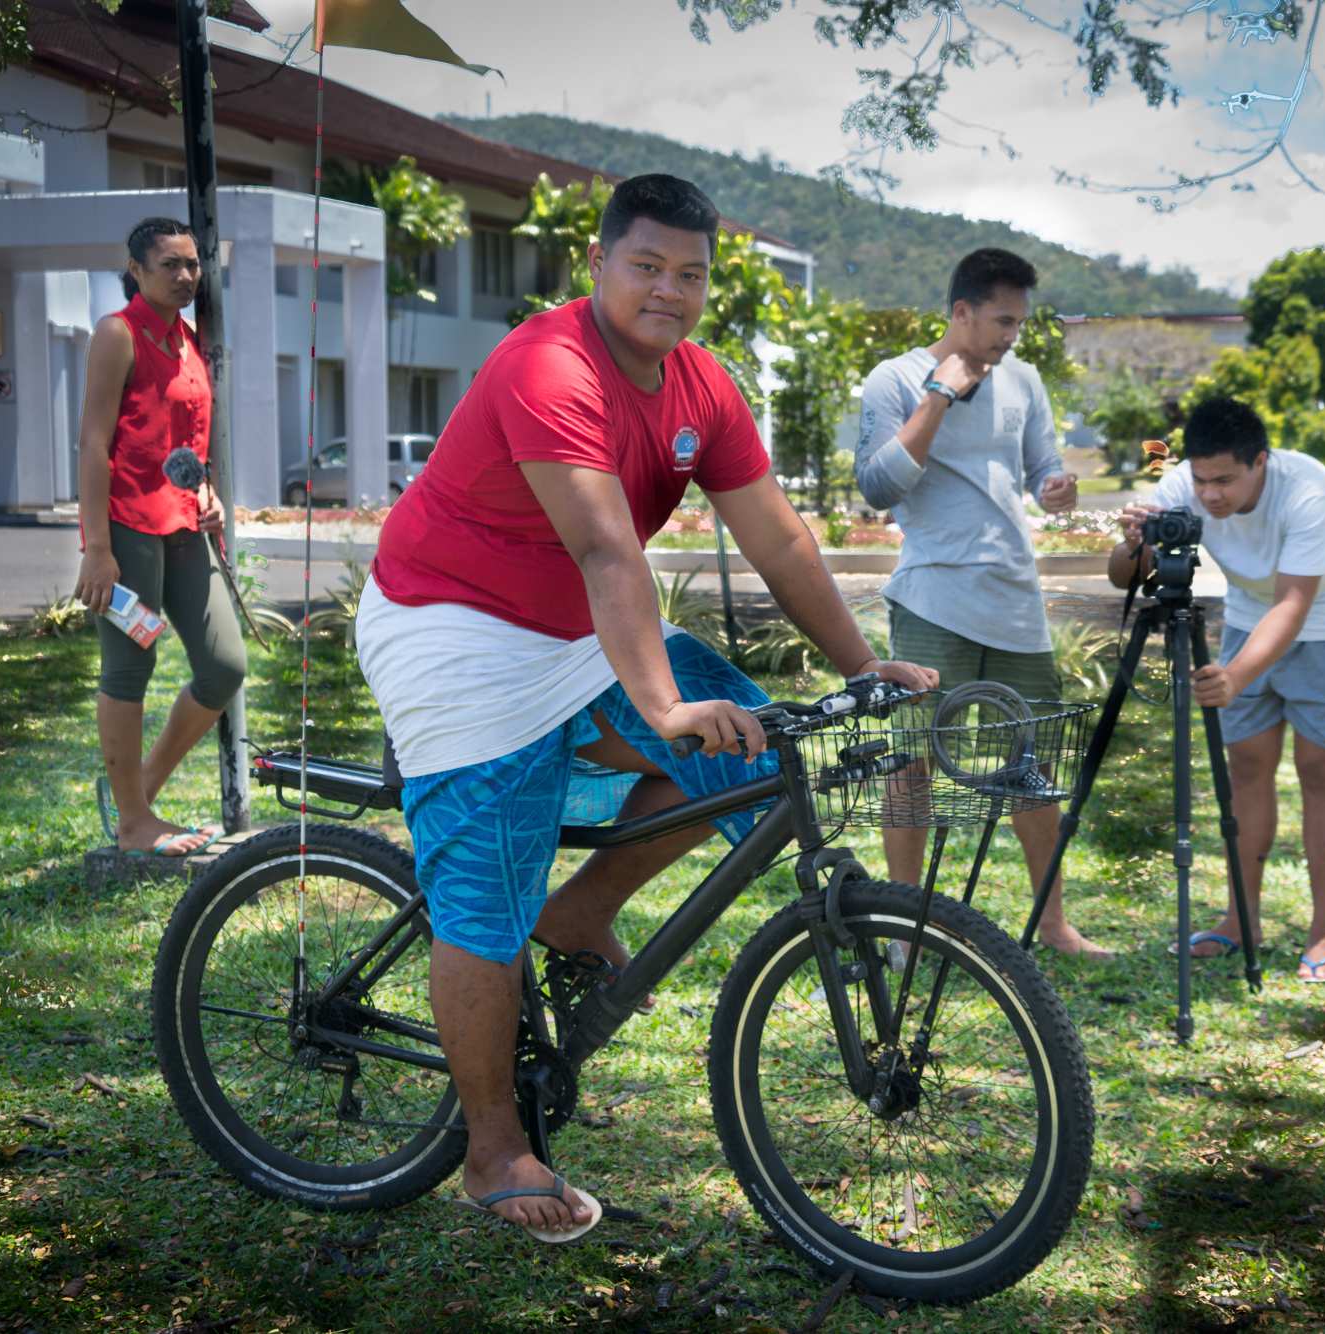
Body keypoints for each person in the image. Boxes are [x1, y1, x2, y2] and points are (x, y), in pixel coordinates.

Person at [355, 174, 935, 1244]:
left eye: (691, 274)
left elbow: (778, 538)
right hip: (454, 628)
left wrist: (864, 664)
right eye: (647, 265)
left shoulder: (700, 384)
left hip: (581, 628)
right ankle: (493, 1149)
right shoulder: (548, 364)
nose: (670, 290)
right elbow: (604, 546)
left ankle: (579, 913)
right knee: (487, 896)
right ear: (598, 262)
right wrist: (661, 702)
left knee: (755, 756)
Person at [853, 248, 1111, 960]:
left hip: (1016, 602)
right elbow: (877, 487)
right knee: (912, 764)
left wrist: (1057, 487)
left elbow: (1041, 470)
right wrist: (939, 395)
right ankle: (904, 931)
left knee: (1032, 765)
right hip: (933, 599)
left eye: (1019, 323)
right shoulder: (895, 378)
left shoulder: (1023, 379)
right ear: (962, 311)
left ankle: (1054, 925)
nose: (1011, 336)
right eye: (1002, 321)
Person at [1108, 397, 1325, 984]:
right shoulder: (1180, 484)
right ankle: (1240, 920)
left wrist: (1235, 676)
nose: (1210, 495)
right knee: (1248, 770)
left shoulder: (1308, 487)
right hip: (1248, 619)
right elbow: (1122, 577)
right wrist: (1133, 542)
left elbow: (1294, 603)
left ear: (1260, 461)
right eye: (1201, 480)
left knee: (1321, 773)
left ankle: (1324, 934)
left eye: (1225, 481)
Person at [73, 217, 245, 858]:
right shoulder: (117, 334)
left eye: (192, 264)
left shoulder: (192, 341)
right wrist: (97, 548)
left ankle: (139, 791)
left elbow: (185, 441)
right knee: (130, 667)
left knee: (224, 666)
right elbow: (93, 444)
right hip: (127, 532)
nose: (185, 275)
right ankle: (134, 823)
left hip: (184, 528)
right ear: (137, 270)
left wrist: (209, 493)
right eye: (170, 264)